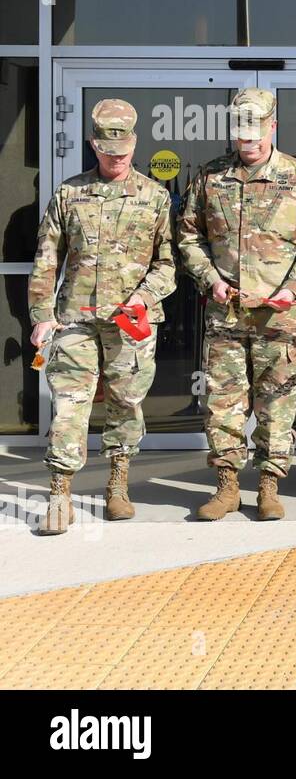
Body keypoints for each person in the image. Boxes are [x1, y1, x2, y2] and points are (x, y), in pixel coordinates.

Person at [177, 87, 296, 521]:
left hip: (281, 317)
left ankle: (269, 486)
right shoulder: (210, 178)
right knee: (223, 404)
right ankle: (227, 487)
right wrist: (209, 279)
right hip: (225, 314)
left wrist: (295, 287)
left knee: (276, 403)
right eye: (241, 132)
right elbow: (188, 237)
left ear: (273, 126)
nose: (249, 141)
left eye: (257, 131)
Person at [28, 100, 176, 535]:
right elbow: (45, 261)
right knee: (69, 406)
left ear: (134, 144)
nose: (117, 161)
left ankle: (117, 485)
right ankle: (60, 492)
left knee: (126, 404)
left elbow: (168, 264)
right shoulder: (69, 194)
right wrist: (41, 315)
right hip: (75, 320)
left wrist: (144, 299)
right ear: (94, 145)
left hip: (131, 324)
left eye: (125, 153)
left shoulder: (155, 196)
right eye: (109, 153)